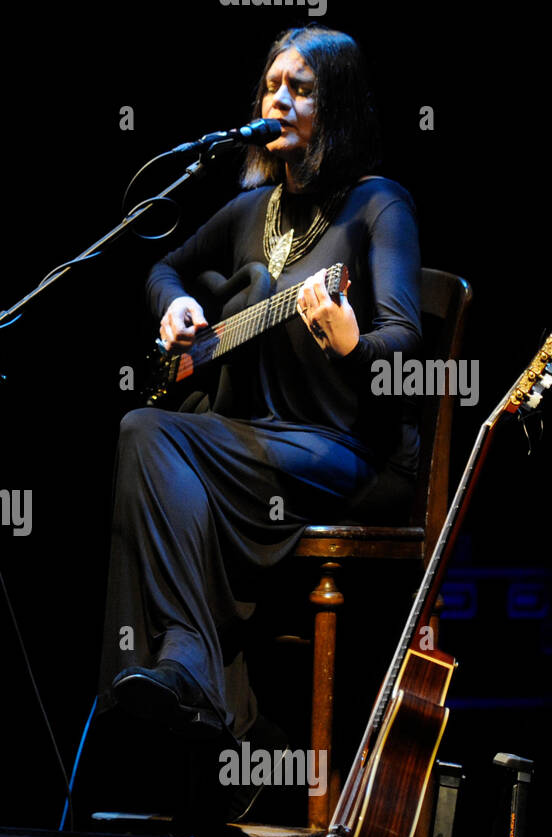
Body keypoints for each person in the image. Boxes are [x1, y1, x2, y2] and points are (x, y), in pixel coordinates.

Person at [96, 24, 421, 746]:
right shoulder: (253, 212)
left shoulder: (378, 206)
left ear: (335, 108)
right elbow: (162, 266)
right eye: (271, 87)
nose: (279, 101)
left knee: (158, 453)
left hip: (344, 453)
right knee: (142, 429)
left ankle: (199, 691)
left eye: (299, 90)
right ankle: (188, 679)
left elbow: (405, 341)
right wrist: (174, 307)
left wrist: (353, 341)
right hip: (253, 443)